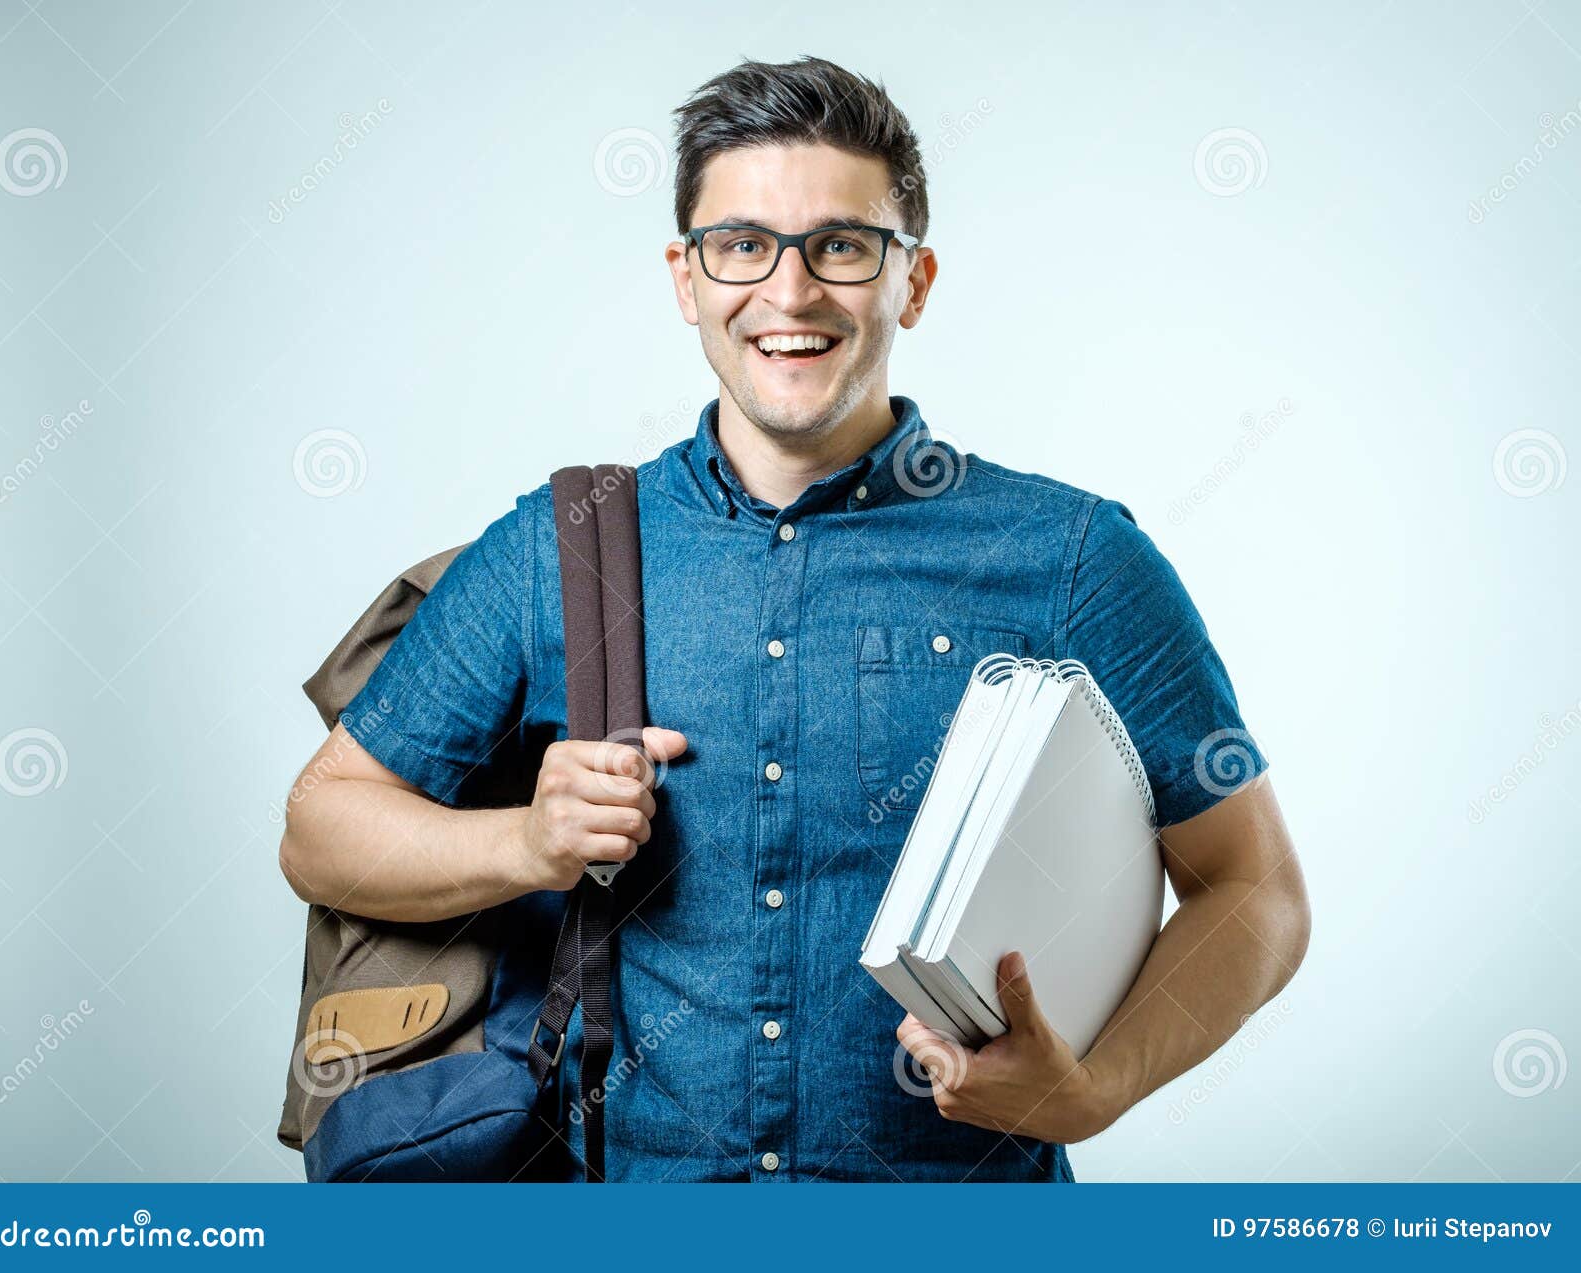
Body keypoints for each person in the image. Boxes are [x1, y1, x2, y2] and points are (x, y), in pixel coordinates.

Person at [278, 54, 1310, 1182]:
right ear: (686, 276)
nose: (789, 291)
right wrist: (525, 841)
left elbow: (1251, 886)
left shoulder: (1074, 558)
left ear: (910, 281)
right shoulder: (560, 546)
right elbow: (323, 827)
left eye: (842, 244)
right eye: (742, 244)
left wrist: (1097, 1087)